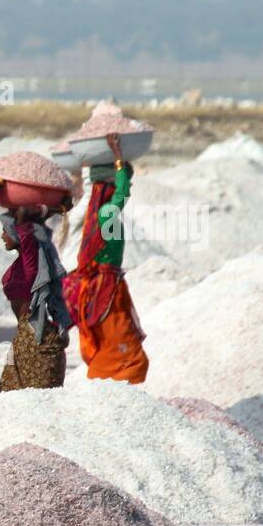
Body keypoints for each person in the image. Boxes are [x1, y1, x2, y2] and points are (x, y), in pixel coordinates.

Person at [63, 132, 150, 383]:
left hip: (100, 288)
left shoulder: (97, 215)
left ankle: (107, 379)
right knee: (120, 342)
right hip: (108, 289)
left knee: (111, 340)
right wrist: (120, 159)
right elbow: (122, 195)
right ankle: (113, 379)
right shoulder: (106, 212)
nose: (128, 188)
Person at [0, 195, 75, 392]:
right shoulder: (23, 262)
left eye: (5, 231)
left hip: (36, 341)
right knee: (12, 402)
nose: (2, 236)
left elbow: (23, 214)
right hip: (26, 338)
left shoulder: (30, 263)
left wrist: (53, 209)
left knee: (32, 402)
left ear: (18, 234)